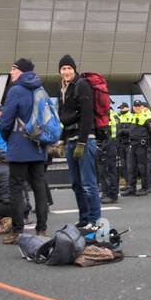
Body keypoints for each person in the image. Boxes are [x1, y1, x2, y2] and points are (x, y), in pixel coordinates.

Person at [0, 57, 49, 243]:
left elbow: (6, 121)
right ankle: (42, 229)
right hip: (39, 146)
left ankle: (18, 230)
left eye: (14, 69)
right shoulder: (41, 89)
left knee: (16, 189)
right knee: (39, 187)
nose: (11, 72)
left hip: (19, 147)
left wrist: (8, 139)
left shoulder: (16, 90)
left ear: (22, 71)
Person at [56, 54, 100, 228]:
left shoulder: (82, 85)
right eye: (63, 69)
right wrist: (61, 140)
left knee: (89, 184)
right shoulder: (61, 89)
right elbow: (64, 118)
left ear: (74, 69)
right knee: (76, 184)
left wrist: (82, 143)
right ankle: (84, 219)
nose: (66, 72)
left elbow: (87, 116)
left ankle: (95, 221)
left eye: (69, 68)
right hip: (70, 140)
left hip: (85, 140)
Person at [123, 99, 151, 196]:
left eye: (139, 106)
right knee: (131, 168)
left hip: (143, 146)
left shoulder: (148, 117)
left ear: (143, 107)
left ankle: (145, 188)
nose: (137, 108)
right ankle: (132, 188)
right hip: (133, 145)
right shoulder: (134, 117)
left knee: (143, 168)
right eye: (135, 106)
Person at [99, 103, 122, 203]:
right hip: (110, 145)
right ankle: (109, 192)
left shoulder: (108, 115)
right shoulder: (114, 115)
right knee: (108, 171)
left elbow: (107, 132)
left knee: (107, 171)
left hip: (108, 145)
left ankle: (111, 194)